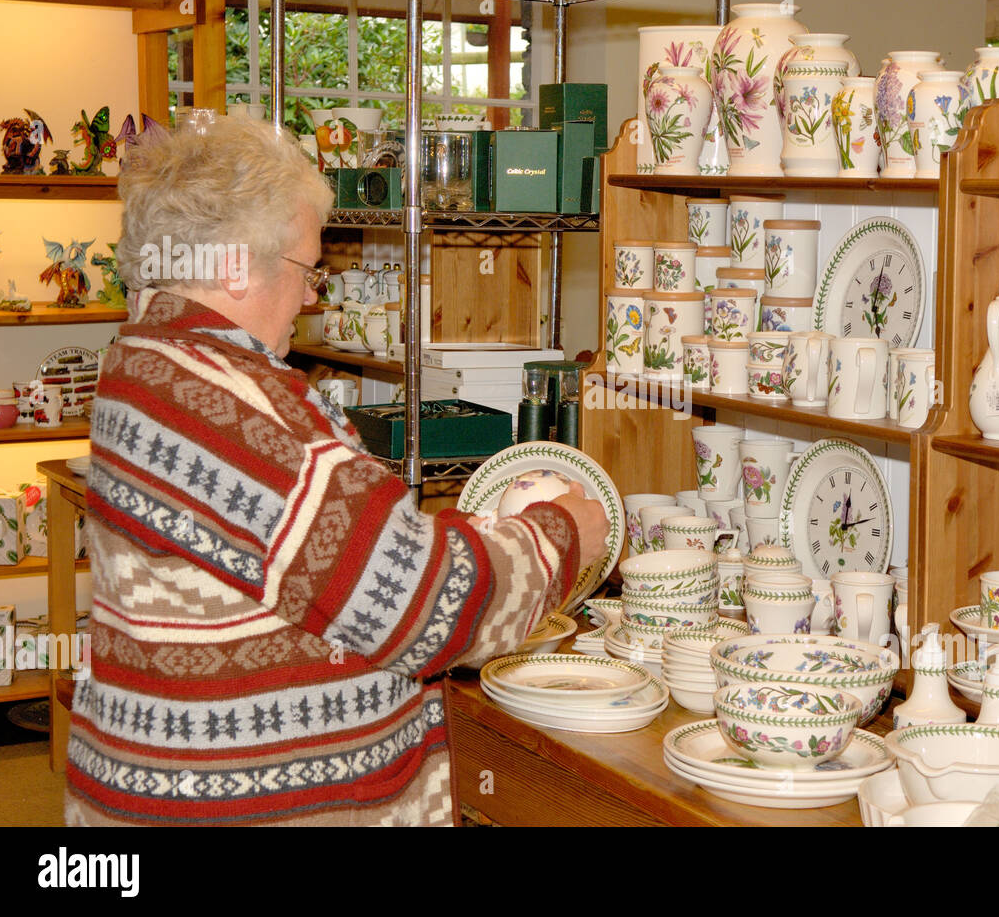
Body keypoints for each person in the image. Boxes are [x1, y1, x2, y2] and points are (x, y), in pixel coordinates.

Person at [65, 114, 608, 826]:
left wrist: (456, 531)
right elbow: (423, 607)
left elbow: (318, 553)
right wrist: (567, 529)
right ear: (236, 263)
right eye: (306, 268)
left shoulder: (141, 359)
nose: (315, 294)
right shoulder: (233, 408)